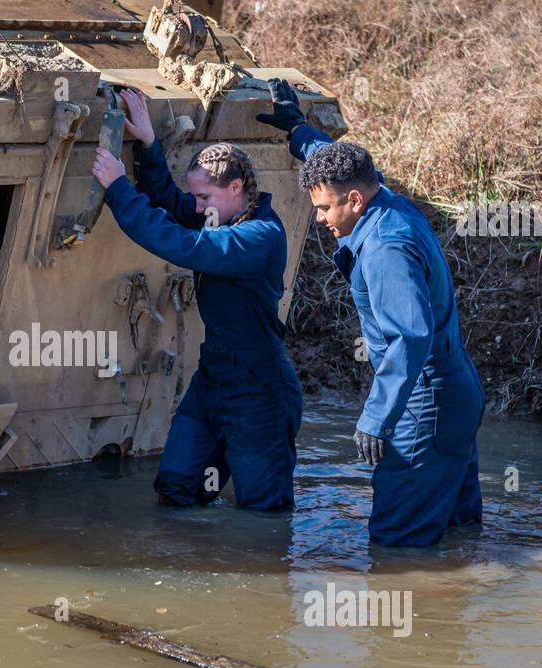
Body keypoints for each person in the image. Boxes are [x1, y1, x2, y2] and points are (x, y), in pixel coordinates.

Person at [257, 80, 484, 546]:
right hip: (452, 396)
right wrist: (298, 130)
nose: (319, 219)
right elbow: (346, 163)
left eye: (322, 209)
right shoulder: (386, 201)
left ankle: (403, 616)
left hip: (424, 404)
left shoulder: (384, 248)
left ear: (354, 201)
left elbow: (409, 338)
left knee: (396, 543)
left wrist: (376, 418)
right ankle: (463, 608)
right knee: (458, 533)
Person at [91, 88, 303, 512]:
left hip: (259, 391)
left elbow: (182, 245)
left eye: (205, 197)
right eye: (198, 198)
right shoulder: (221, 214)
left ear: (237, 187)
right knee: (177, 489)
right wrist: (149, 145)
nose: (199, 205)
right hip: (214, 380)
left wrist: (117, 188)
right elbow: (170, 205)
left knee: (263, 512)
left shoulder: (258, 237)